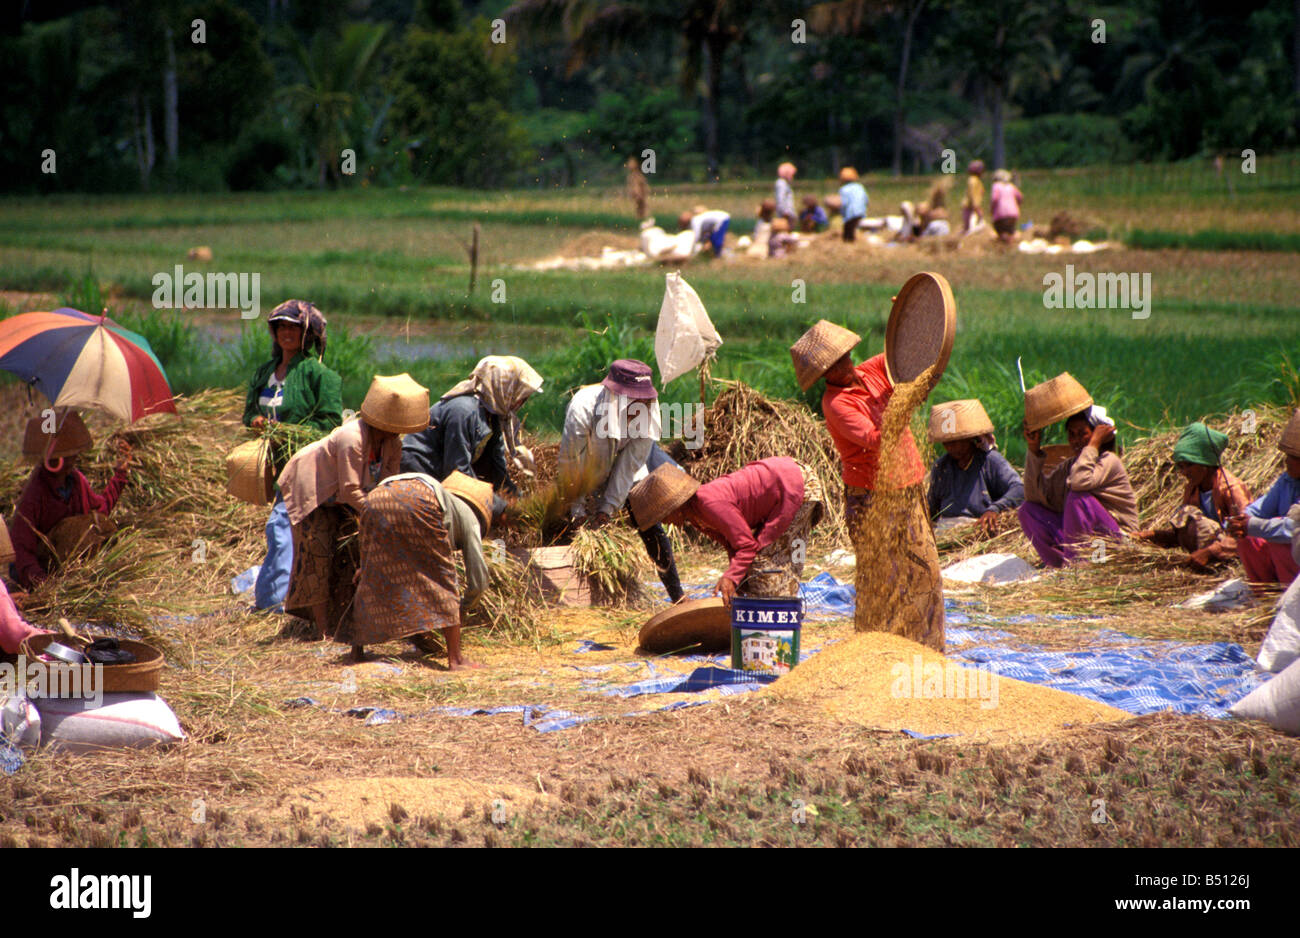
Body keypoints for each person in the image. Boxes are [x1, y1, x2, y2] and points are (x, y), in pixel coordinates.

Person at [789, 320, 943, 650]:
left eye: (845, 357)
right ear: (825, 375)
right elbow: (878, 439)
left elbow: (904, 357)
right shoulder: (837, 404)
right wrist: (905, 403)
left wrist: (907, 315)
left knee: (924, 571)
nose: (847, 365)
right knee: (880, 580)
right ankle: (875, 652)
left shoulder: (872, 369)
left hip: (909, 490)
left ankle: (927, 651)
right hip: (871, 499)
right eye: (837, 364)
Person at [278, 374, 429, 640]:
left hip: (346, 496)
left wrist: (390, 511)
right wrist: (376, 514)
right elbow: (349, 489)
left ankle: (346, 621)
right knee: (318, 554)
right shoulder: (352, 437)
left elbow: (388, 484)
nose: (398, 432)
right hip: (314, 488)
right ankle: (323, 631)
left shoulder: (392, 443)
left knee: (350, 553)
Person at [242, 299, 343, 612]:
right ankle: (277, 599)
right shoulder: (265, 373)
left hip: (305, 465)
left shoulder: (319, 375)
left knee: (281, 527)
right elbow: (248, 413)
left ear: (306, 333)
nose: (286, 332)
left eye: (293, 327)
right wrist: (256, 423)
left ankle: (275, 603)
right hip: (273, 464)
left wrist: (286, 431)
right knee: (282, 529)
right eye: (281, 326)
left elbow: (330, 424)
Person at [558, 359, 684, 603]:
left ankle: (677, 595)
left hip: (624, 465)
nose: (640, 405)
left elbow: (630, 465)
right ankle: (575, 598)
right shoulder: (583, 408)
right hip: (586, 469)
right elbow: (570, 462)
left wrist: (608, 509)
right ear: (616, 396)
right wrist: (578, 510)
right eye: (634, 400)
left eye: (644, 400)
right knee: (571, 526)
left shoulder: (649, 409)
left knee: (648, 520)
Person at [344, 470, 491, 668]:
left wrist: (366, 566)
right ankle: (456, 659)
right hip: (417, 499)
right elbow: (478, 580)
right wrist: (464, 607)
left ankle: (357, 652)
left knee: (371, 577)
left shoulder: (443, 498)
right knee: (443, 579)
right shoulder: (469, 517)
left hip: (375, 498)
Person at [629, 458, 823, 605]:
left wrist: (730, 577)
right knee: (751, 574)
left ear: (675, 507)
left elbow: (747, 545)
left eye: (663, 516)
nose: (665, 522)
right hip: (782, 482)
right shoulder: (696, 516)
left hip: (796, 484)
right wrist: (737, 580)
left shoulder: (709, 504)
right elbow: (732, 544)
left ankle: (779, 618)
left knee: (767, 569)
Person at [401, 355, 543, 520]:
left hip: (443, 476)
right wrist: (500, 510)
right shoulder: (464, 411)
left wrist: (520, 502)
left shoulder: (493, 415)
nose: (521, 402)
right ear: (505, 389)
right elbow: (457, 474)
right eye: (520, 395)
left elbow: (494, 468)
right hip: (420, 476)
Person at [10, 413, 132, 590]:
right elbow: (21, 551)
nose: (73, 459)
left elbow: (100, 512)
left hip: (66, 570)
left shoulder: (75, 481)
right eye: (67, 455)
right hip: (39, 573)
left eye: (73, 454)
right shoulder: (35, 493)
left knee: (96, 526)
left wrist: (120, 474)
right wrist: (45, 586)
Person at [1018, 405, 1139, 567]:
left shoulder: (1109, 460)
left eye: (1083, 434)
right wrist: (1033, 450)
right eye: (1072, 435)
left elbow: (1079, 483)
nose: (1076, 440)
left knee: (1078, 499)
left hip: (1109, 545)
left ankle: (1078, 568)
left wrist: (1094, 444)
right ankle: (1060, 565)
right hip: (1083, 545)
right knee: (1028, 510)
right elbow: (1034, 496)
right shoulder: (1071, 466)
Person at [1132, 422, 1251, 570]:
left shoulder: (1231, 489)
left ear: (1205, 463)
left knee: (1189, 514)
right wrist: (1151, 536)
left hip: (1230, 557)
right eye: (1181, 467)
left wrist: (1209, 552)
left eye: (1189, 465)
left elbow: (1245, 534)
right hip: (1205, 555)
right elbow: (1186, 533)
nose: (1184, 472)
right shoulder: (1193, 488)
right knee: (1186, 514)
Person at [926, 399, 1024, 535]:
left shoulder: (990, 461)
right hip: (946, 531)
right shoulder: (941, 467)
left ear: (969, 438)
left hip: (977, 528)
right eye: (946, 443)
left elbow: (1019, 488)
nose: (951, 448)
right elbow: (932, 509)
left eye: (956, 442)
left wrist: (994, 509)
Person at [1226, 408, 1300, 587]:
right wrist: (1240, 521)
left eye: (1292, 457)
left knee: (1280, 543)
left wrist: (1252, 525)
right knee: (1248, 537)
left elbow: (1293, 528)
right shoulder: (1288, 480)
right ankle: (1265, 595)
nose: (1286, 461)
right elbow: (1262, 508)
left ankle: (1290, 601)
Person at [990, 169, 1023, 244]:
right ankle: (1011, 242)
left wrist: (992, 209)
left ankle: (1004, 244)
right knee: (1010, 230)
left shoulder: (996, 186)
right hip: (1013, 214)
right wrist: (1016, 206)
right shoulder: (1011, 186)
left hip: (1001, 215)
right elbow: (1020, 197)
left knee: (1001, 230)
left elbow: (995, 199)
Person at [838, 168, 868, 242]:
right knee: (854, 228)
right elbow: (866, 200)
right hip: (861, 212)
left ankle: (849, 243)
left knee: (847, 232)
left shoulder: (843, 189)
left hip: (850, 213)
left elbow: (843, 203)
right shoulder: (860, 187)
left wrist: (841, 213)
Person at [962, 160, 985, 234]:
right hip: (971, 207)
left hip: (970, 206)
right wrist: (976, 208)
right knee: (971, 227)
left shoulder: (974, 180)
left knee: (968, 227)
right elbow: (973, 195)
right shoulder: (974, 180)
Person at [625, 155, 650, 220]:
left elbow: (643, 186)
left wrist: (642, 194)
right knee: (637, 211)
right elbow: (631, 187)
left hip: (640, 196)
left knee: (643, 210)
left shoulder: (638, 175)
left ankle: (644, 220)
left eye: (631, 164)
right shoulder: (631, 176)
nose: (629, 165)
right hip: (636, 196)